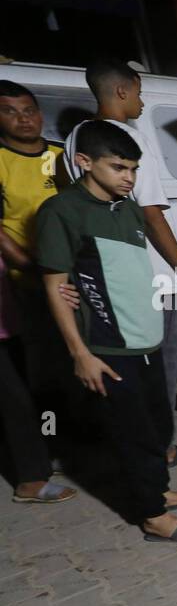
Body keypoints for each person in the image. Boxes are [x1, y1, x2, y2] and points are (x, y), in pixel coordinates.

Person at [36, 120, 177, 541]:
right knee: (133, 434)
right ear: (84, 162)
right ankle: (151, 516)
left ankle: (160, 492)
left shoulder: (129, 208)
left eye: (133, 169)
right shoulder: (62, 212)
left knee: (157, 426)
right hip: (109, 348)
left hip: (147, 338)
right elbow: (53, 286)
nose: (129, 178)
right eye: (118, 168)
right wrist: (81, 353)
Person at [63, 59, 177, 463]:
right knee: (164, 358)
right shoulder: (126, 141)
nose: (141, 102)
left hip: (109, 268)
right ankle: (162, 446)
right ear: (122, 90)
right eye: (139, 93)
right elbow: (152, 215)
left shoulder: (74, 140)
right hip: (151, 272)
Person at [0, 80, 84, 445]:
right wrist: (29, 266)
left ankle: (92, 427)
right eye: (10, 112)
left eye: (29, 110)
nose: (23, 119)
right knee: (47, 362)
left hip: (73, 275)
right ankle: (59, 437)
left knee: (83, 351)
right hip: (28, 282)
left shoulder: (61, 155)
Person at [1, 250, 75, 503]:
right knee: (16, 404)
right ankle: (30, 480)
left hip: (11, 326)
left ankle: (45, 457)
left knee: (36, 394)